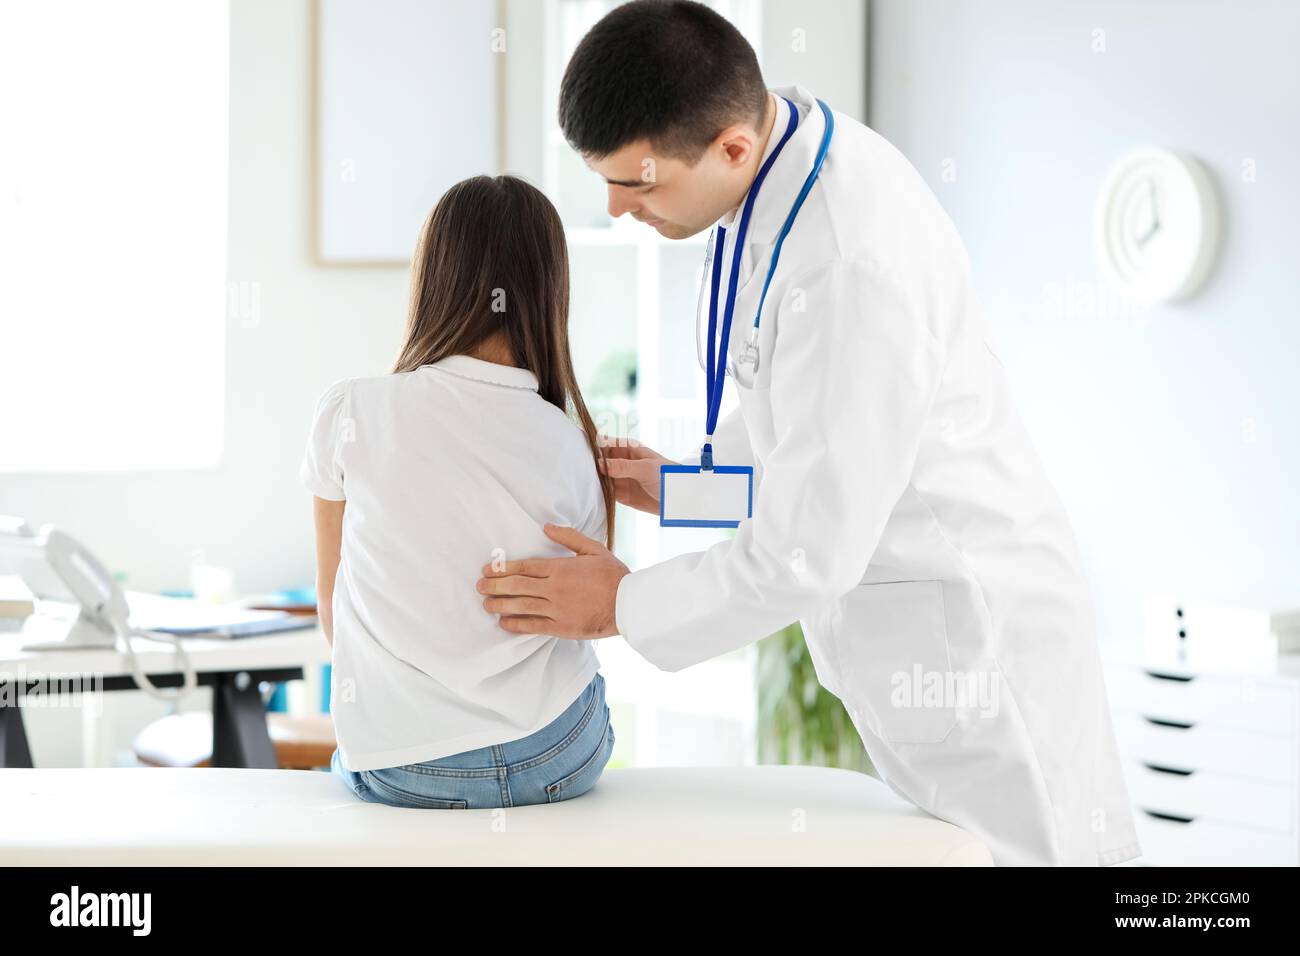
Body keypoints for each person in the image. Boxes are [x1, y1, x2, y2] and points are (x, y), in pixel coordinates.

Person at [476, 0, 1140, 865]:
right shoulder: (771, 165)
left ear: (732, 149)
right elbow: (803, 417)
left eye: (636, 183)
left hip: (978, 644)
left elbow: (811, 549)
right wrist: (686, 488)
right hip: (909, 639)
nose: (614, 208)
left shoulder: (851, 261)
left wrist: (620, 605)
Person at [301, 175, 615, 809]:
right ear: (549, 291)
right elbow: (585, 616)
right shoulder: (571, 442)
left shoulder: (353, 411)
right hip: (558, 753)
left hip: (405, 767)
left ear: (433, 279)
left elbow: (333, 614)